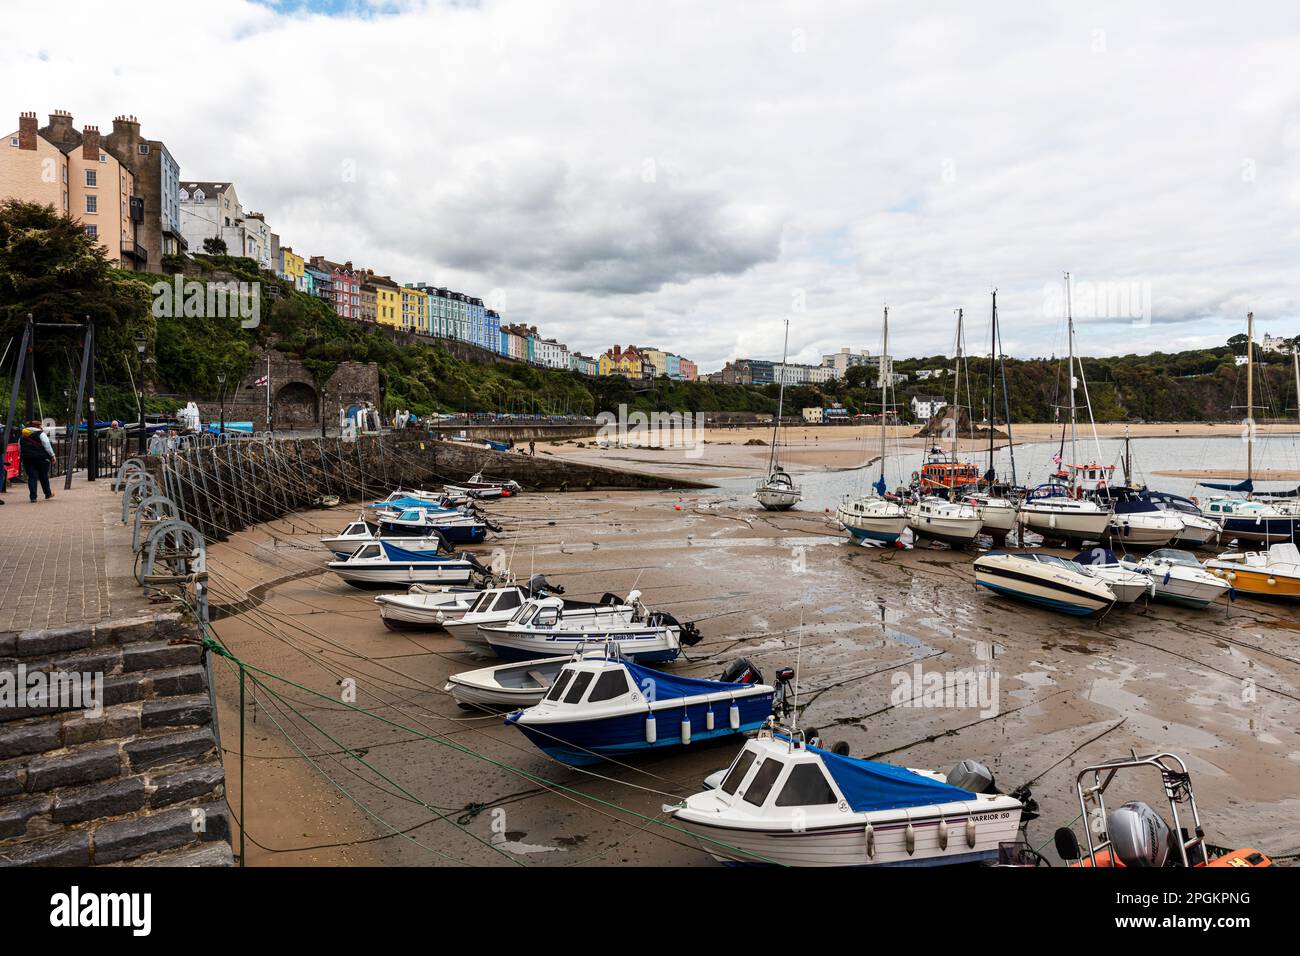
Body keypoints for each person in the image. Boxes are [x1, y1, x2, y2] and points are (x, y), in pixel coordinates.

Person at [19, 421, 55, 502]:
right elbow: (47, 445)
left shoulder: (23, 435)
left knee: (32, 477)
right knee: (43, 476)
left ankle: (33, 497)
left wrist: (22, 456)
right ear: (38, 426)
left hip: (28, 459)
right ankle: (48, 493)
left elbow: (20, 447)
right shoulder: (41, 434)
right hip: (41, 458)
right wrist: (52, 456)